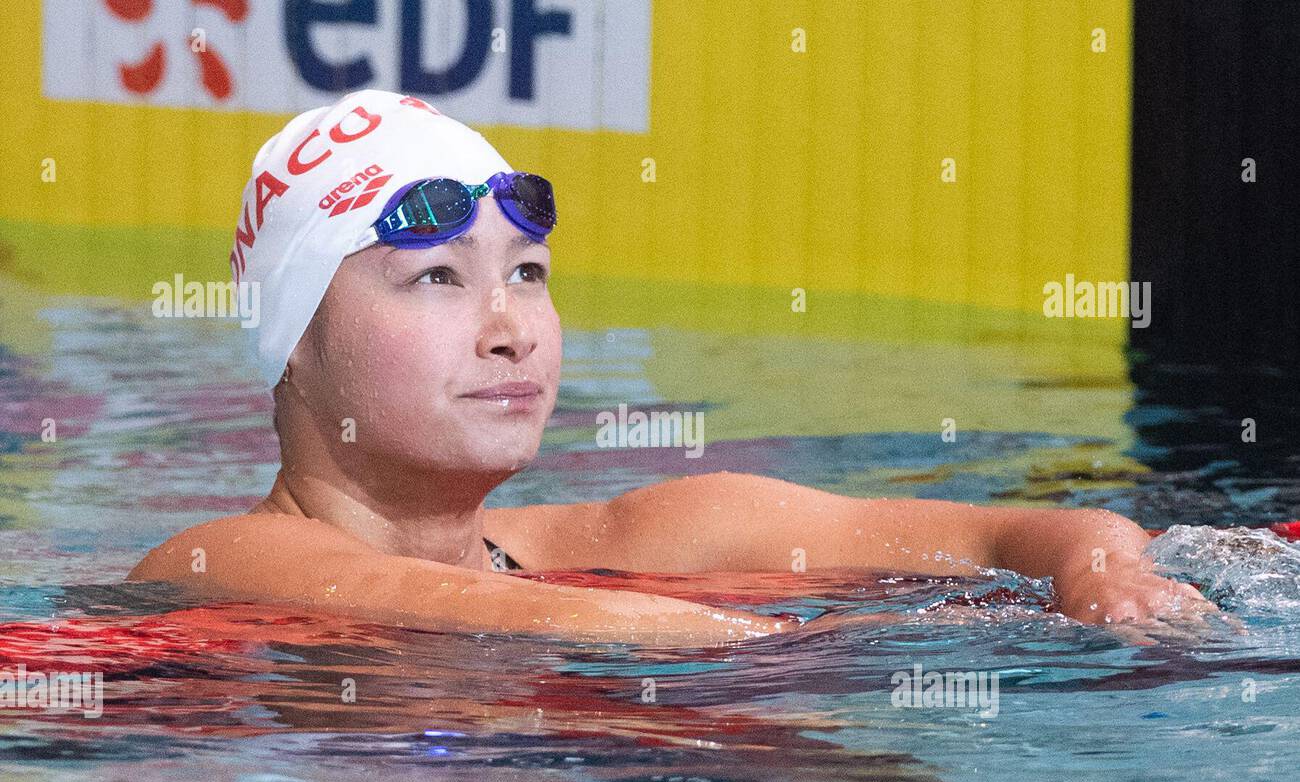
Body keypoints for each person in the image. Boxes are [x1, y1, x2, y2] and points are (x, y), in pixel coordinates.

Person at [128, 90, 1218, 643]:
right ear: (293, 345)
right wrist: (810, 644)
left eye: (530, 272)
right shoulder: (216, 561)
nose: (511, 326)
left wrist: (1096, 570)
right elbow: (435, 608)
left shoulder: (621, 541)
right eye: (437, 279)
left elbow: (1000, 534)